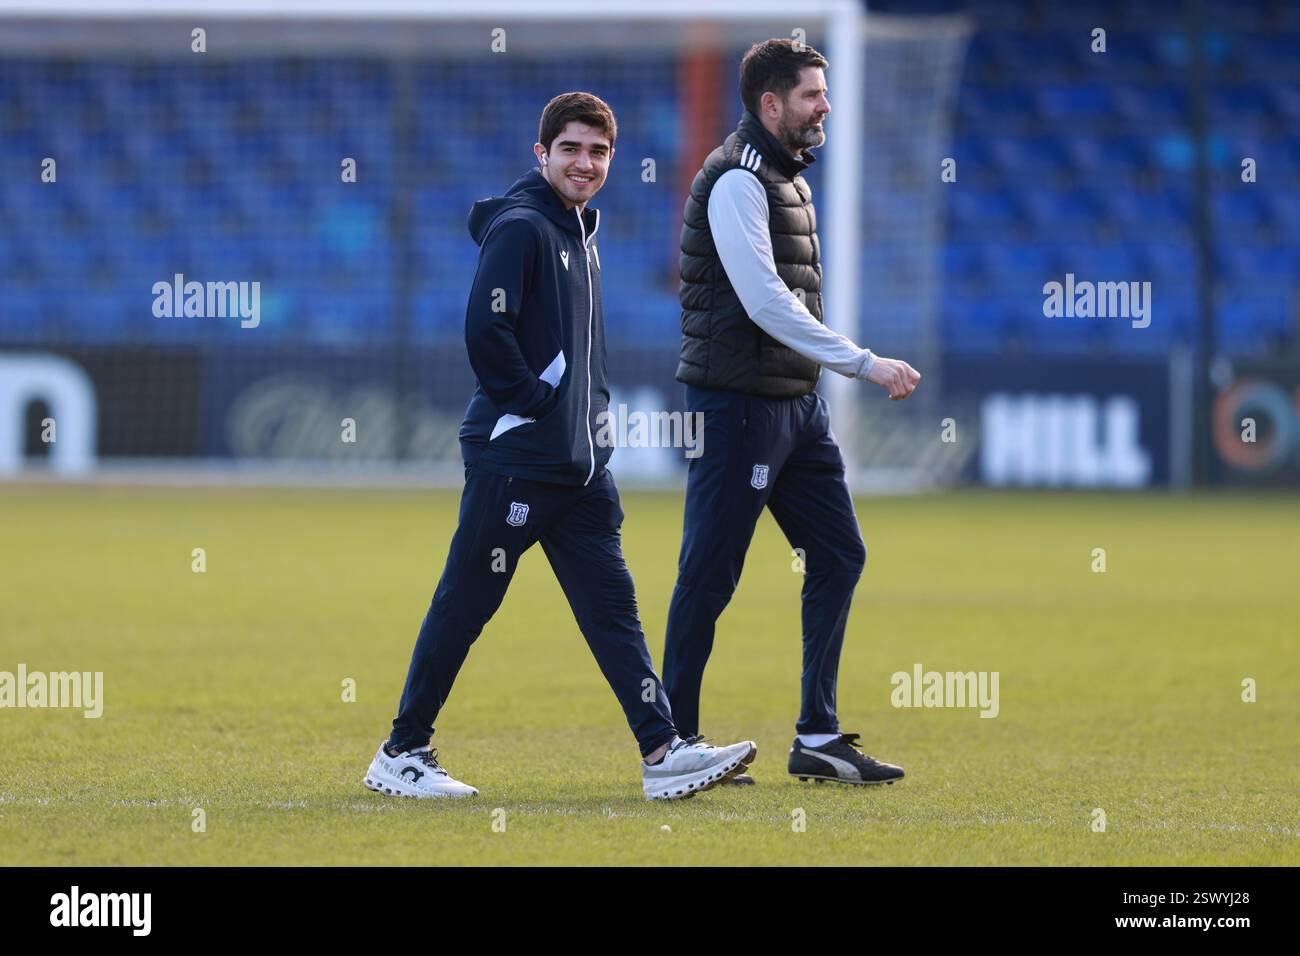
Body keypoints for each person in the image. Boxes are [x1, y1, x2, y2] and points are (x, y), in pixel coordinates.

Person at [364, 92, 755, 801]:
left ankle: (662, 750)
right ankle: (402, 751)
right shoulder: (522, 227)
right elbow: (488, 335)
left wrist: (588, 433)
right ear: (540, 153)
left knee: (614, 610)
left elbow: (578, 358)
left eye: (599, 151)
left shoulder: (578, 230)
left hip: (579, 471)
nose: (585, 163)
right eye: (570, 149)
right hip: (516, 462)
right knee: (466, 604)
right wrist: (541, 411)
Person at [664, 41, 920, 786]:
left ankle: (818, 735)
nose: (825, 105)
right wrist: (862, 362)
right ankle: (675, 740)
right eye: (812, 94)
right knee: (710, 572)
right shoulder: (739, 179)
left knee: (839, 553)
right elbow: (765, 302)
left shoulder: (788, 178)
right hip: (736, 405)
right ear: (771, 104)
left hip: (795, 407)